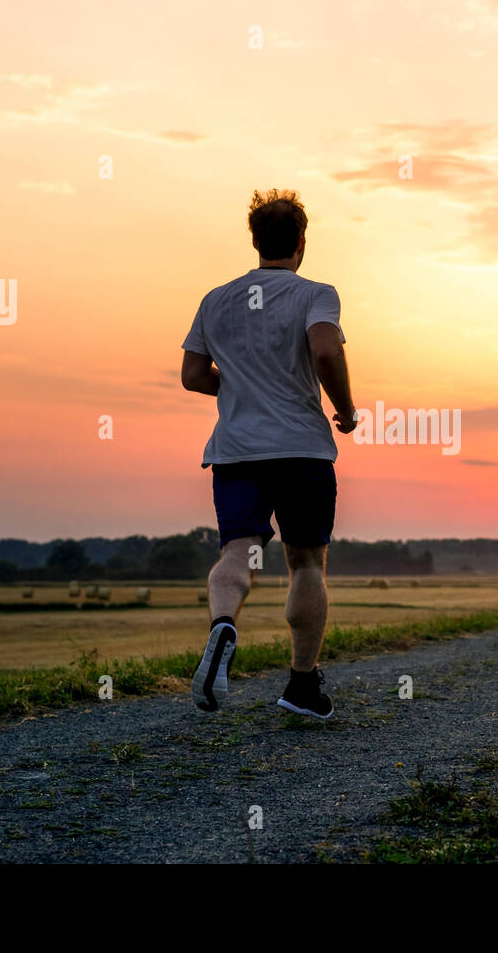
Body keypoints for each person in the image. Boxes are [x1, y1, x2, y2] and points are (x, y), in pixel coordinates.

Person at [180, 189, 357, 719]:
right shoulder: (316, 294)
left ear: (255, 241)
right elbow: (325, 349)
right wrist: (345, 409)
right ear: (302, 242)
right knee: (306, 562)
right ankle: (302, 686)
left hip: (237, 452)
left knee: (238, 550)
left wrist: (241, 390)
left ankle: (223, 625)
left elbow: (192, 376)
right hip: (301, 449)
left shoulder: (216, 300)